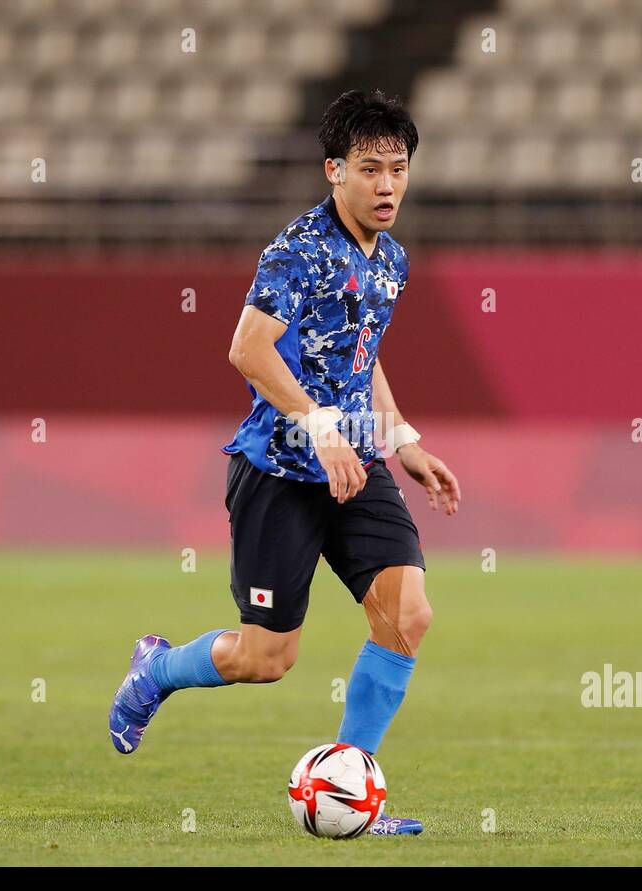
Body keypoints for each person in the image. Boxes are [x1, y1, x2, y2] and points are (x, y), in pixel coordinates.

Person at [108, 90, 460, 836]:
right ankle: (158, 669)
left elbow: (363, 357)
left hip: (356, 465)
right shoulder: (297, 252)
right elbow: (246, 348)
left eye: (399, 168)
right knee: (267, 659)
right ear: (334, 171)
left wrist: (402, 441)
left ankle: (353, 792)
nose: (388, 185)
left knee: (408, 614)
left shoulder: (390, 257)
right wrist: (322, 427)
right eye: (371, 169)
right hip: (280, 470)